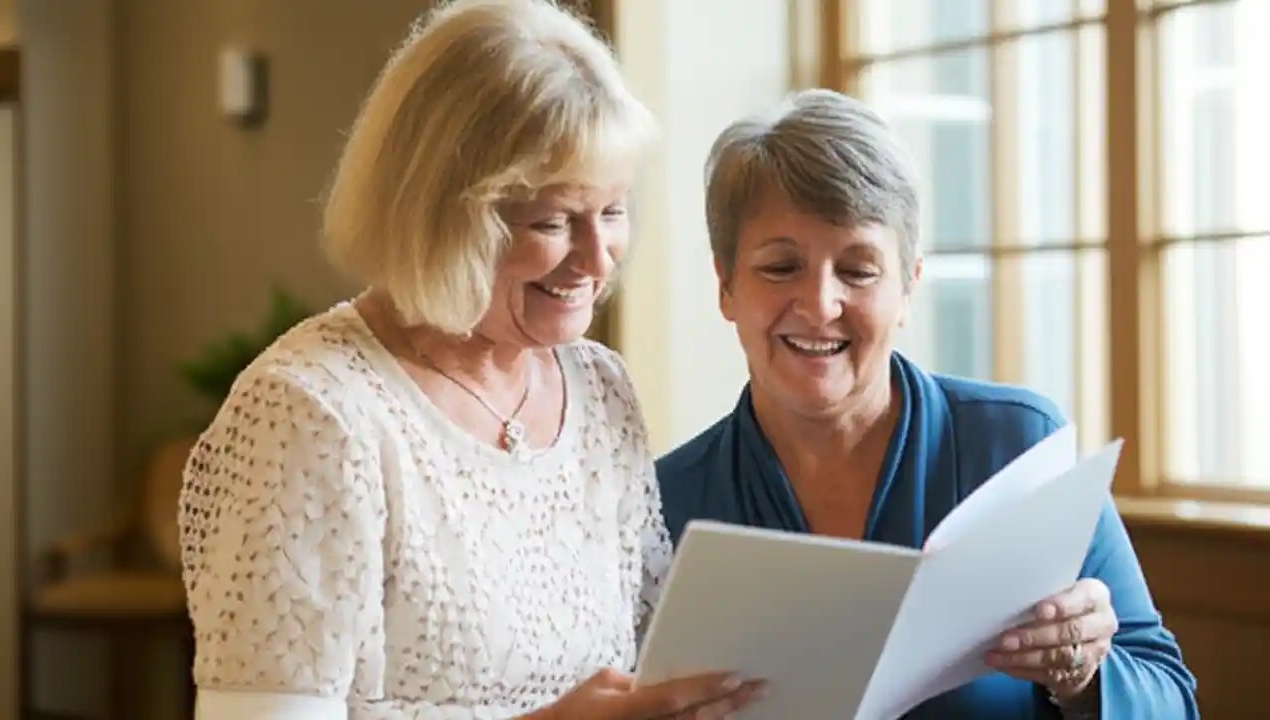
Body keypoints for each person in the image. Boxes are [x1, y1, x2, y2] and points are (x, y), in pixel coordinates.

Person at [178, 1, 765, 718]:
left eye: (611, 212)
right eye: (552, 221)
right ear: (440, 216)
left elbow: (643, 663)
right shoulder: (312, 414)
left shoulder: (599, 386)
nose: (595, 257)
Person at [655, 88, 1198, 719]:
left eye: (858, 271)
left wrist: (1085, 675)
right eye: (780, 268)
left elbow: (1172, 703)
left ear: (909, 286)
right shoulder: (665, 503)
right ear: (725, 286)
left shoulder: (1017, 448)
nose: (820, 304)